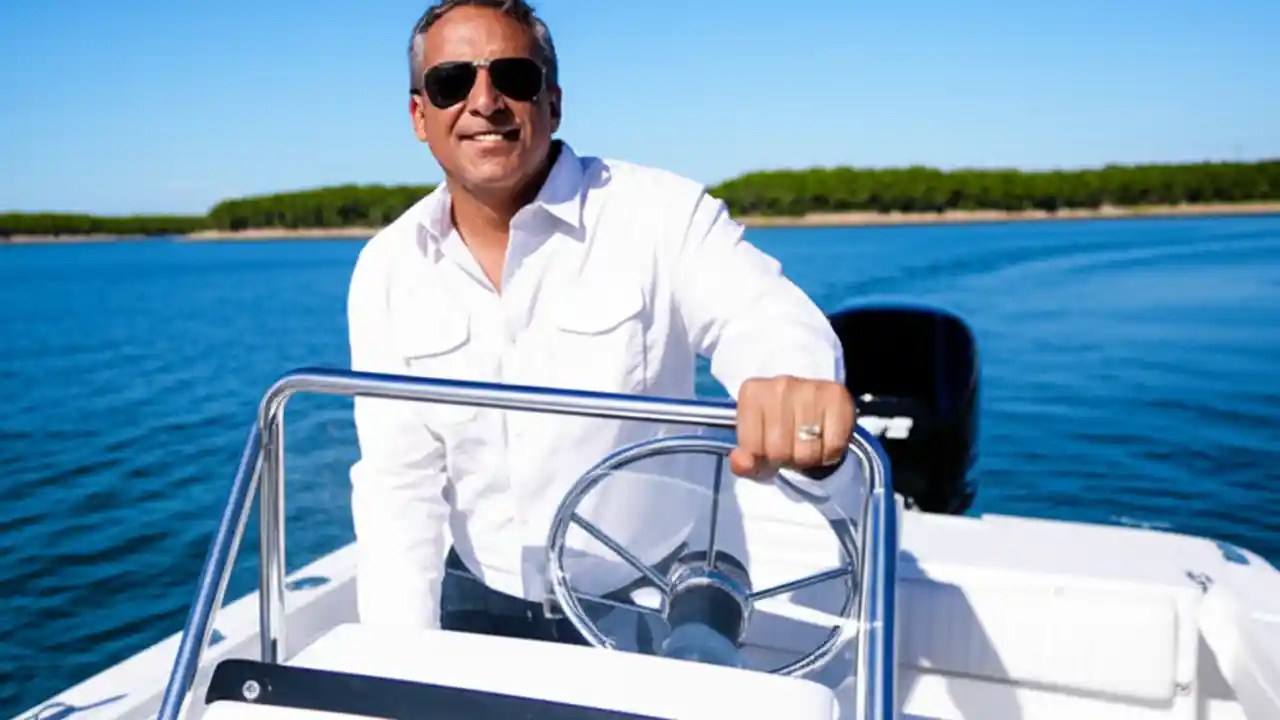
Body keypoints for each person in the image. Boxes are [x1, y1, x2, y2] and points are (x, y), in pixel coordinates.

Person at [346, 0, 857, 647]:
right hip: (479, 589)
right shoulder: (388, 267)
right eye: (452, 82)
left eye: (514, 77)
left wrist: (792, 380)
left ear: (552, 102)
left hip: (652, 589)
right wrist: (395, 661)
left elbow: (759, 314)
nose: (485, 101)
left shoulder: (661, 214)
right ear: (421, 115)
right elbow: (399, 481)